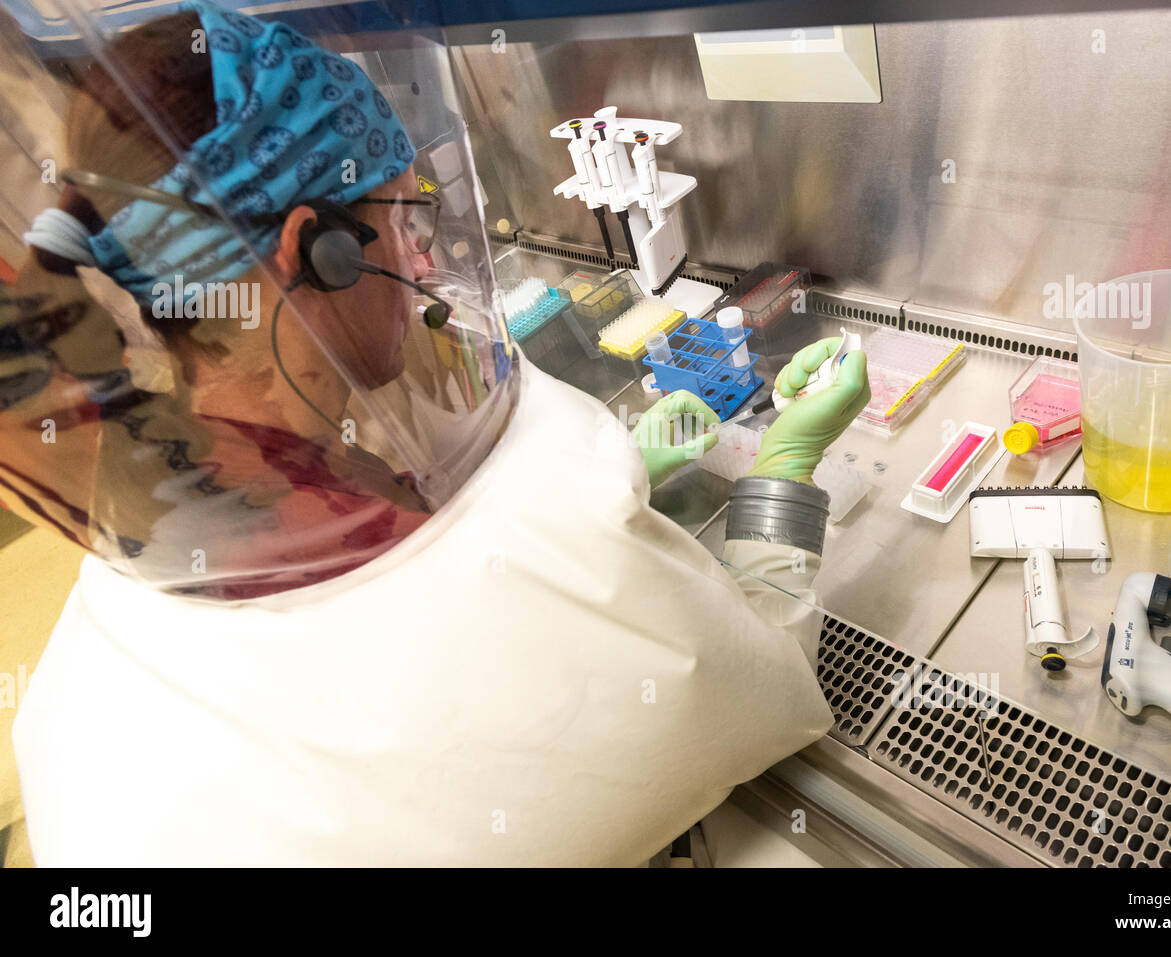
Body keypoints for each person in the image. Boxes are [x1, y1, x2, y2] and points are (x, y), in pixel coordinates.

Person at [1, 2, 870, 865]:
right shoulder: (559, 594)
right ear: (314, 248)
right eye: (403, 221)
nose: (423, 263)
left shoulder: (101, 624)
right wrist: (785, 466)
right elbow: (761, 685)